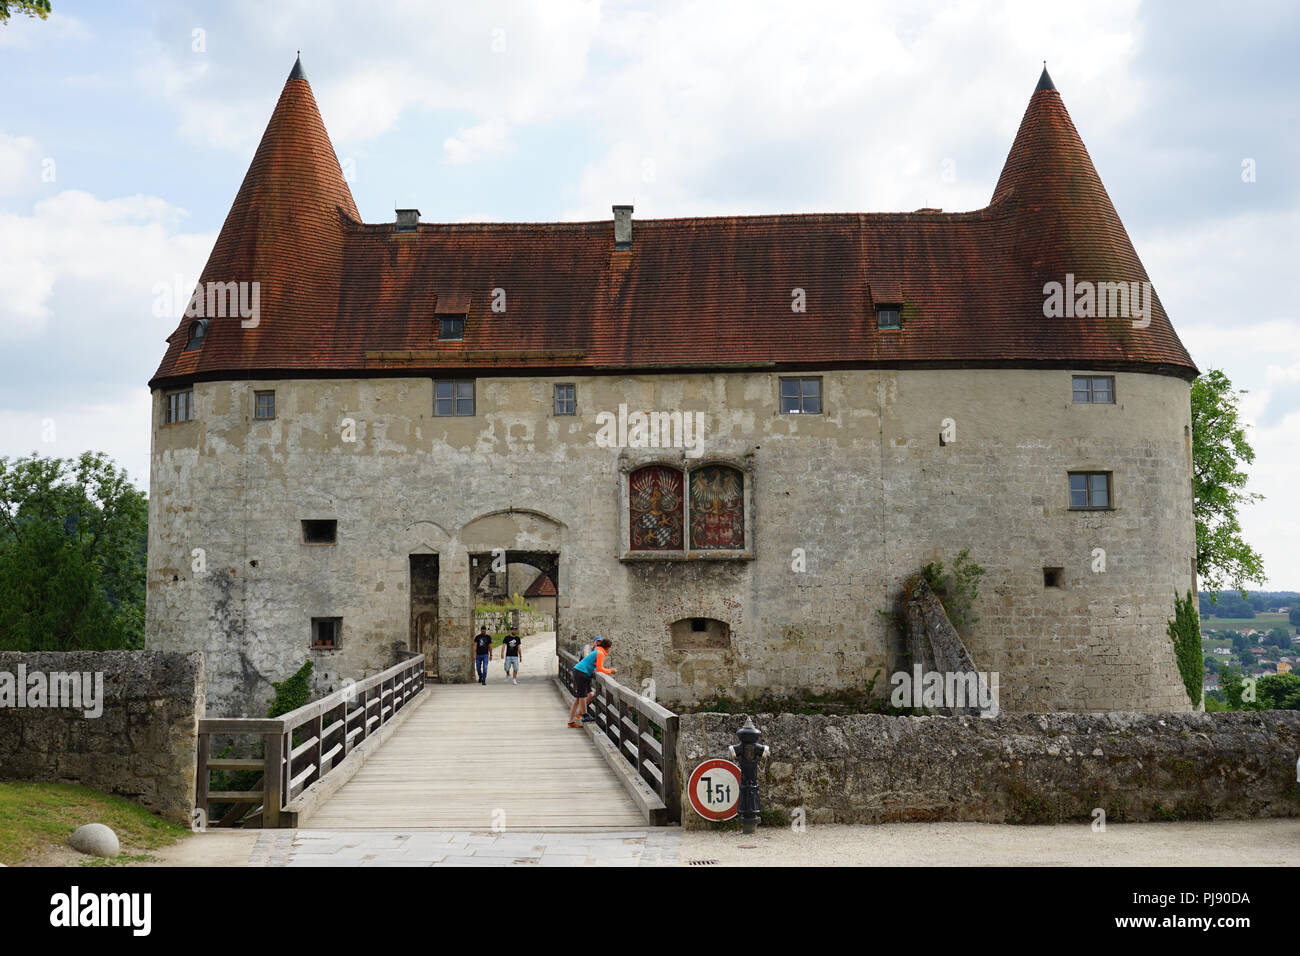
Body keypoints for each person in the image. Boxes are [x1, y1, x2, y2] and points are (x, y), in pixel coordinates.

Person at [567, 637, 617, 727]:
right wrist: (611, 671)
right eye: (610, 648)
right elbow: (600, 668)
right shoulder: (600, 653)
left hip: (581, 672)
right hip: (581, 672)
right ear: (608, 647)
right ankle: (584, 715)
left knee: (580, 697)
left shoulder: (597, 651)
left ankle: (572, 720)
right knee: (581, 696)